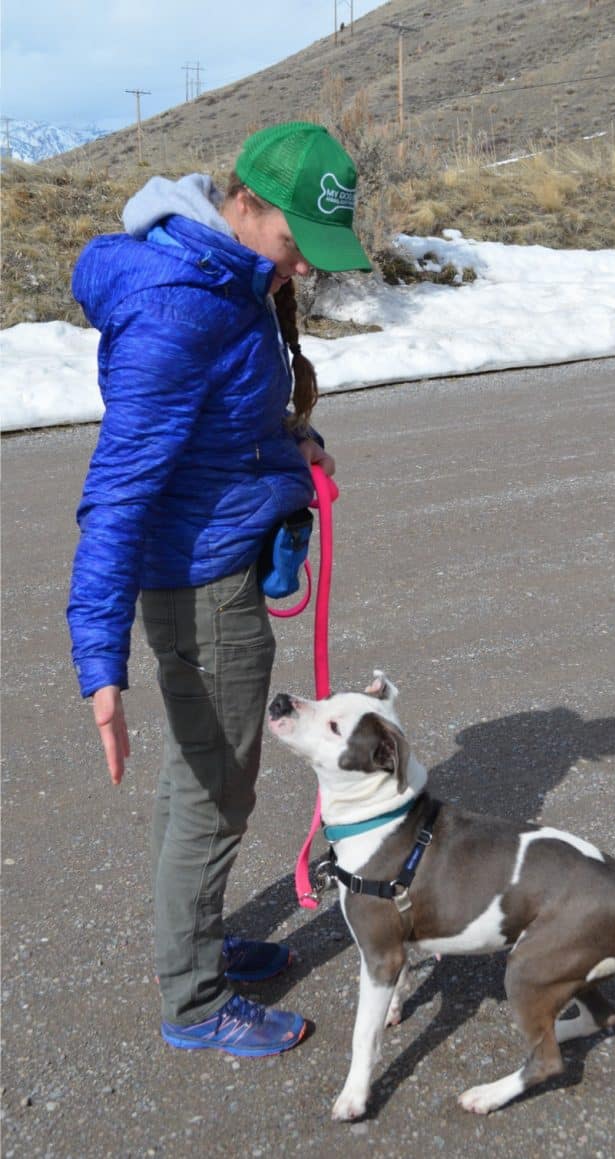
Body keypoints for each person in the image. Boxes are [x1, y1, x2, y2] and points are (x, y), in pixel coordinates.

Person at [67, 122, 372, 1057]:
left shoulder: (229, 278)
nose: (301, 268)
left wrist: (293, 443)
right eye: (292, 243)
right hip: (201, 584)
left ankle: (193, 946)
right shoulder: (181, 309)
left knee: (198, 776)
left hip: (215, 557)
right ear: (242, 203)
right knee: (216, 793)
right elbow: (118, 490)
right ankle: (195, 1002)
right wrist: (99, 662)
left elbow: (225, 419)